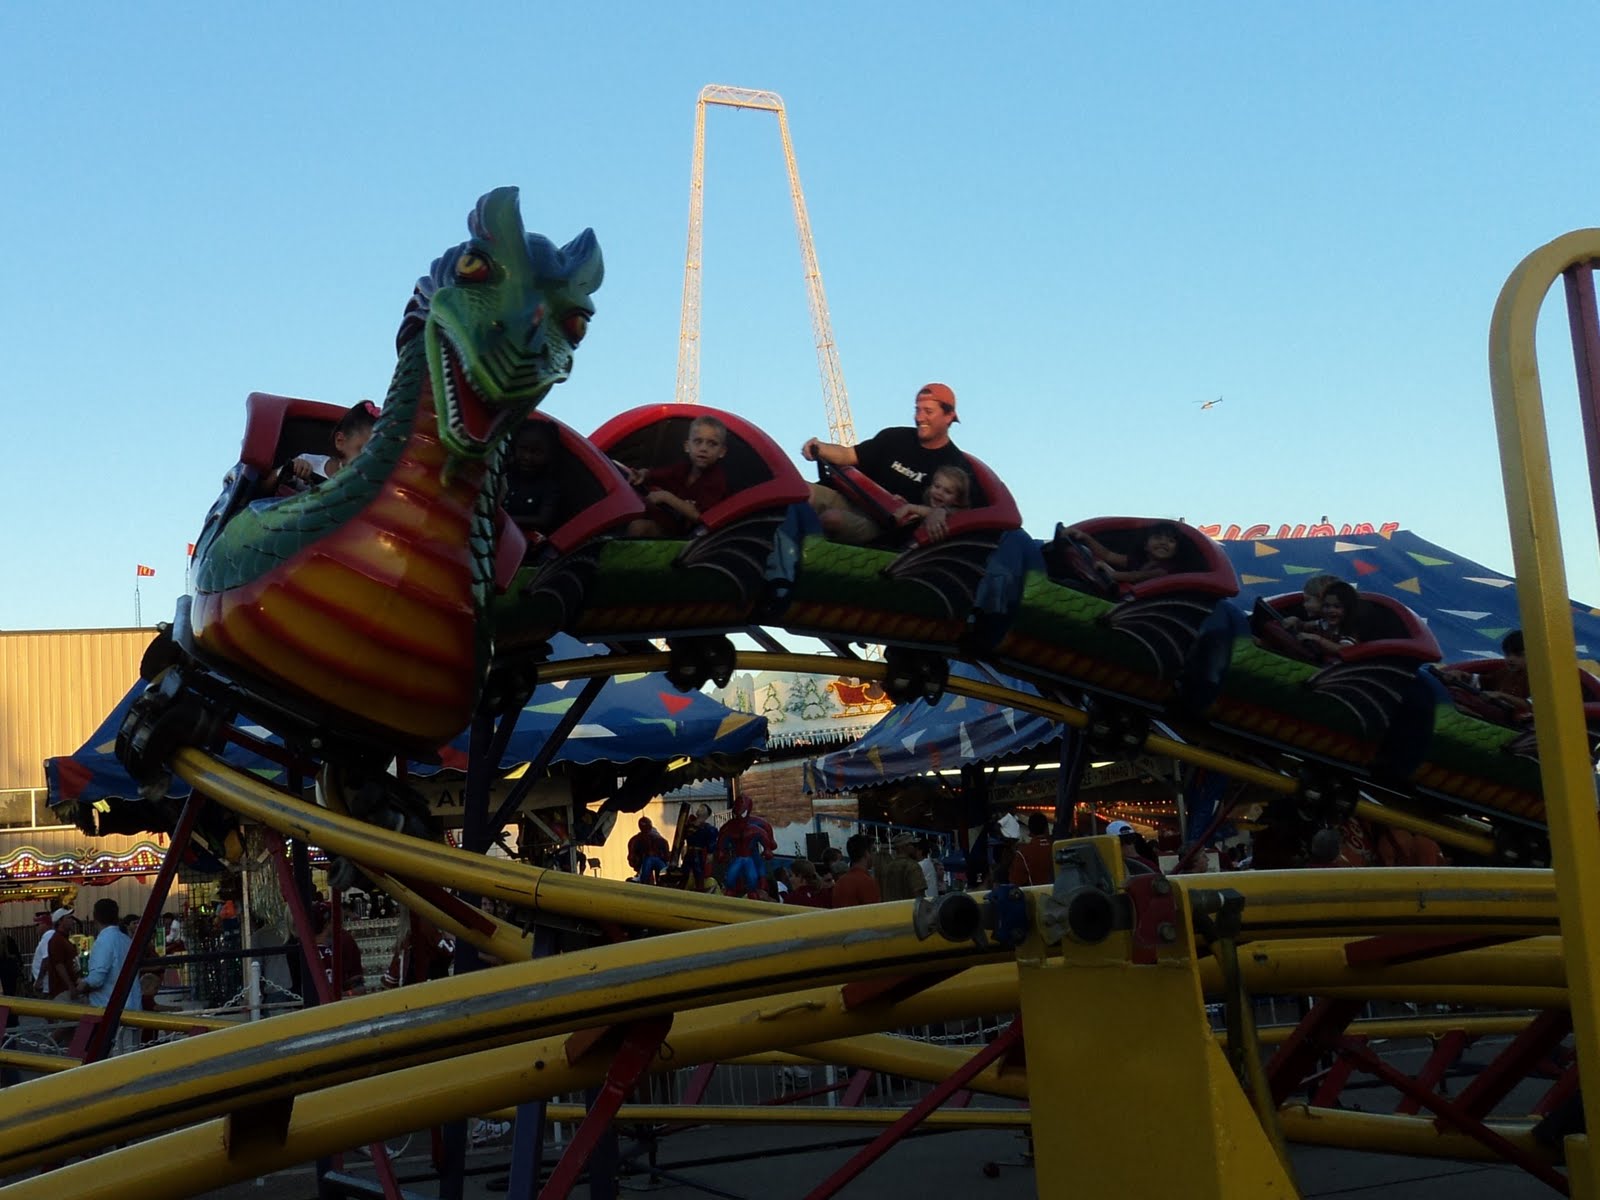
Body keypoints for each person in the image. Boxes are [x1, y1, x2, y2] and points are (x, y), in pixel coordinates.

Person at [801, 383, 984, 545]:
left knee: (831, 519)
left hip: (887, 531)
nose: (920, 418)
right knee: (800, 492)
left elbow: (966, 511)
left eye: (928, 411)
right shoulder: (895, 438)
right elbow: (849, 454)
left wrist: (940, 512)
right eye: (917, 410)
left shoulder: (956, 464)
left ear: (948, 416)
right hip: (855, 500)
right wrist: (821, 447)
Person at [624, 416, 731, 537]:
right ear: (687, 446)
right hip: (671, 528)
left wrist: (666, 497)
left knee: (639, 528)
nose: (703, 448)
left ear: (722, 451)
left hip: (698, 541)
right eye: (698, 441)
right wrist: (642, 474)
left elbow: (700, 516)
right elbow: (654, 475)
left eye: (712, 444)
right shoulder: (682, 469)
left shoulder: (716, 480)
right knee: (637, 526)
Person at [262, 400, 379, 493]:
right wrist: (287, 471)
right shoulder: (311, 464)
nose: (367, 460)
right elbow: (264, 489)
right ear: (340, 441)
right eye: (362, 450)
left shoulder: (370, 486)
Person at [1054, 521, 1182, 589]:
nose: (1164, 543)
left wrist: (1111, 574)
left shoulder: (1165, 570)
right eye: (1158, 538)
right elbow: (1108, 555)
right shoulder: (1138, 560)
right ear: (1145, 545)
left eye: (1171, 540)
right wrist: (1086, 538)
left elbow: (1136, 576)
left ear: (1176, 550)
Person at [75, 898, 144, 1021]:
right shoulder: (126, 940)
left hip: (110, 1012)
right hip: (133, 1006)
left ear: (95, 917)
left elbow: (97, 980)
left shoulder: (103, 941)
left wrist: (82, 985)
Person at [501, 421, 564, 536]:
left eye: (536, 452)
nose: (527, 457)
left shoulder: (549, 487)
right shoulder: (504, 472)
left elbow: (543, 520)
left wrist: (502, 519)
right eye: (523, 449)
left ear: (550, 455)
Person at [891, 464, 972, 534]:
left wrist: (911, 508)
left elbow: (932, 512)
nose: (939, 492)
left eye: (948, 491)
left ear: (957, 500)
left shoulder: (955, 514)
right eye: (937, 486)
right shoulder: (926, 505)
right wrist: (903, 504)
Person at [1294, 579, 1361, 661]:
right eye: (1326, 606)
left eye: (1337, 606)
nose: (1330, 610)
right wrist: (1295, 621)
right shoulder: (1324, 623)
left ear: (1349, 609)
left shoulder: (1349, 631)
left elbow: (1343, 650)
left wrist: (1316, 638)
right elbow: (1304, 625)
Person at [830, 834, 882, 907]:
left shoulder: (839, 883)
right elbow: (874, 914)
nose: (875, 854)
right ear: (866, 853)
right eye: (873, 850)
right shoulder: (867, 882)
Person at [42, 907, 80, 1002]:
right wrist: (70, 986)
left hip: (67, 989)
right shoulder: (56, 940)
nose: (72, 921)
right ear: (60, 921)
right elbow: (59, 965)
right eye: (69, 918)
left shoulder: (65, 939)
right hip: (62, 991)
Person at [1009, 813, 1056, 886]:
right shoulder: (1058, 847)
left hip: (1036, 895)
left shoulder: (1023, 853)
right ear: (1046, 828)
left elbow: (1016, 882)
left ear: (1030, 832)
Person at [880, 833, 929, 901]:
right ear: (903, 847)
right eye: (913, 845)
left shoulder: (887, 867)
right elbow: (919, 896)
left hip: (891, 909)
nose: (916, 848)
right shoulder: (912, 866)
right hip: (910, 909)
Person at [627, 817, 671, 885]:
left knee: (660, 871)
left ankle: (660, 880)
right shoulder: (635, 840)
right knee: (651, 865)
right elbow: (632, 858)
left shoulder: (660, 840)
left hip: (653, 863)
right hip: (647, 863)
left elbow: (666, 857)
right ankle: (645, 879)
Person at [29, 910, 53, 994]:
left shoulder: (48, 937)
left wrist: (39, 980)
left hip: (45, 985)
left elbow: (46, 959)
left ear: (45, 924)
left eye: (37, 925)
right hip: (46, 983)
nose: (36, 927)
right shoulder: (48, 936)